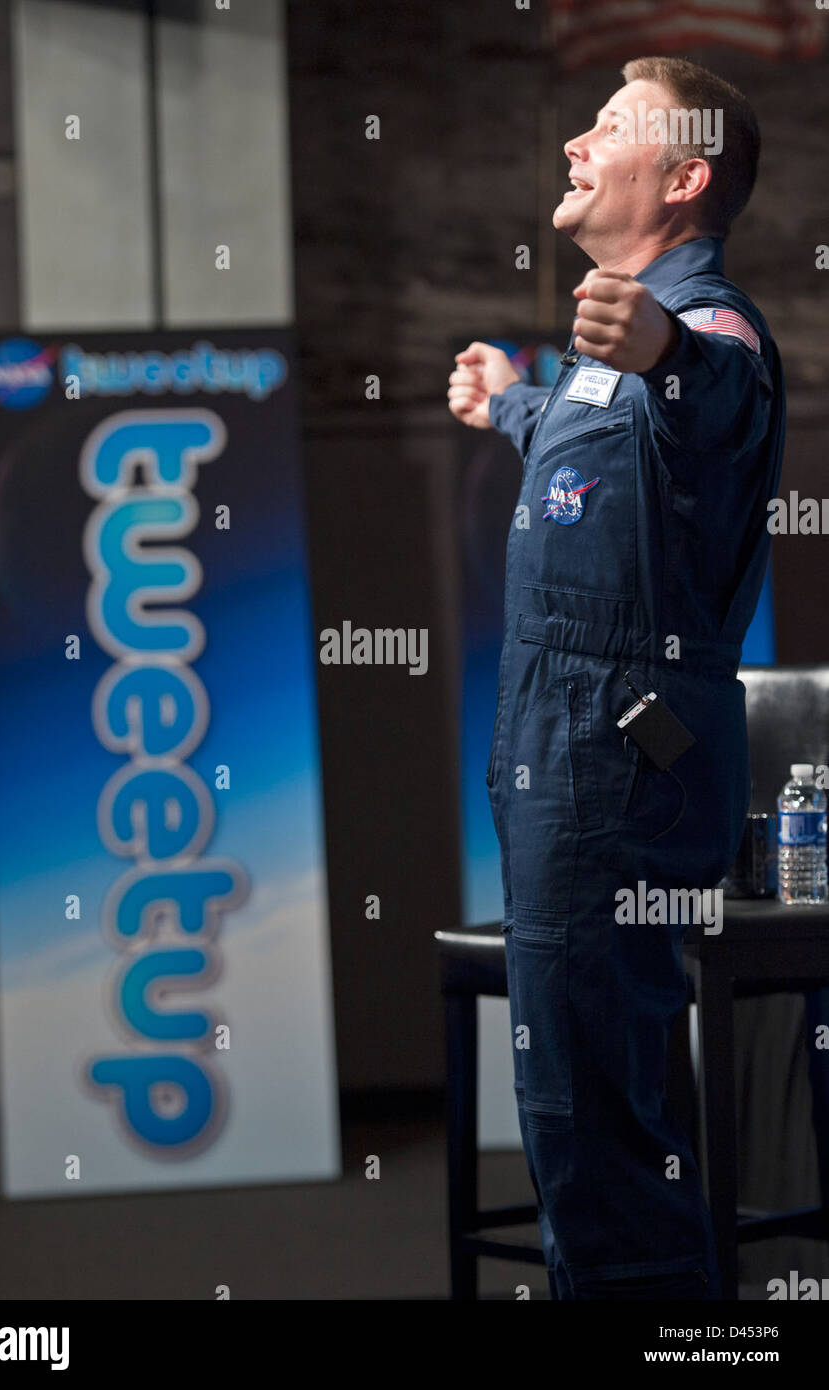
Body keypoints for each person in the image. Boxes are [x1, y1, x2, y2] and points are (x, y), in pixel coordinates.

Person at [447, 56, 785, 1300]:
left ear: (683, 177)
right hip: (566, 735)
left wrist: (658, 347)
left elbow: (707, 402)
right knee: (592, 1093)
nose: (574, 144)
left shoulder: (706, 325)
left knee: (589, 1112)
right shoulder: (617, 334)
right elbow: (606, 440)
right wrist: (512, 402)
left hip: (617, 744)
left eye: (609, 128)